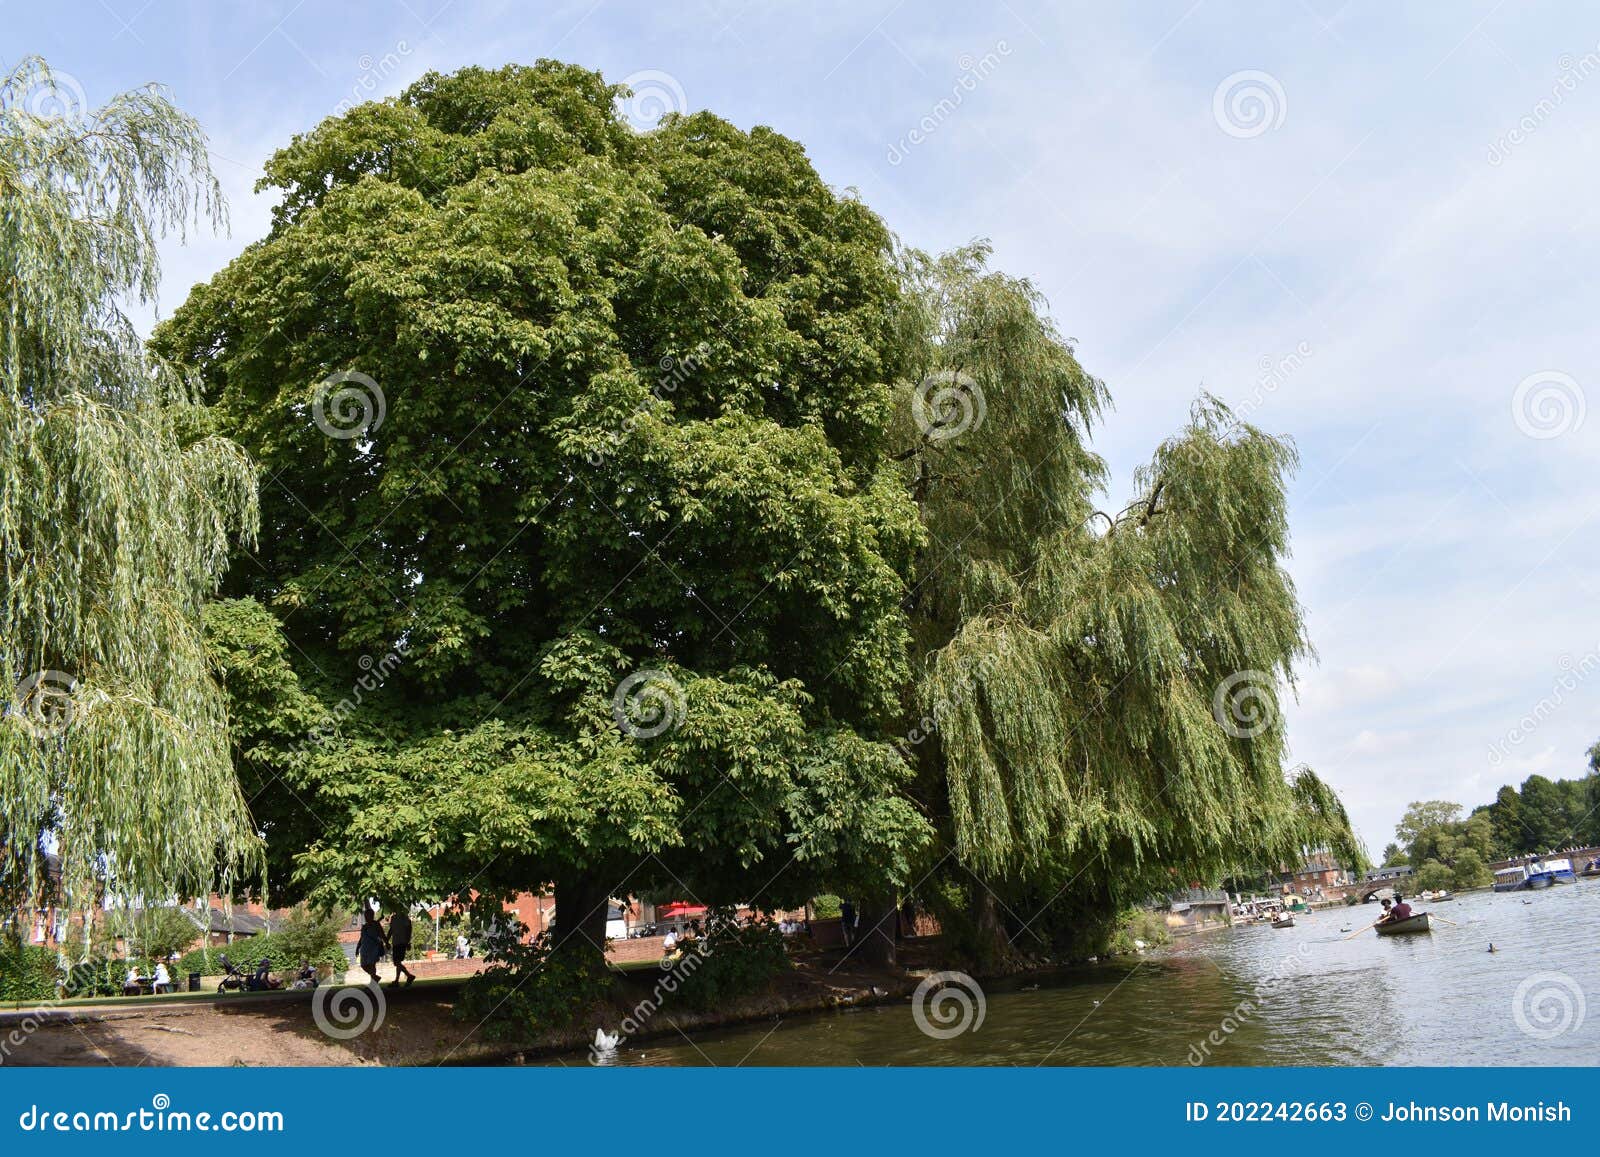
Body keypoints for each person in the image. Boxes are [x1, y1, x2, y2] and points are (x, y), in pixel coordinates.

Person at [357, 909, 388, 985]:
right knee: (363, 965)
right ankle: (375, 977)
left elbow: (382, 934)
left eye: (368, 915)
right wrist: (357, 947)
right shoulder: (364, 926)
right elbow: (361, 938)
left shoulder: (376, 924)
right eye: (365, 916)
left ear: (372, 916)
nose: (366, 917)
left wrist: (387, 943)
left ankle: (373, 982)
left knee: (372, 964)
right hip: (364, 948)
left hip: (373, 947)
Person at [388, 908, 416, 988]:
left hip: (402, 942)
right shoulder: (393, 918)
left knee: (397, 962)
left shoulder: (405, 918)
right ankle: (397, 981)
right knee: (398, 962)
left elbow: (409, 929)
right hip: (395, 942)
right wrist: (387, 940)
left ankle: (409, 976)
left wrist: (408, 942)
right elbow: (391, 930)